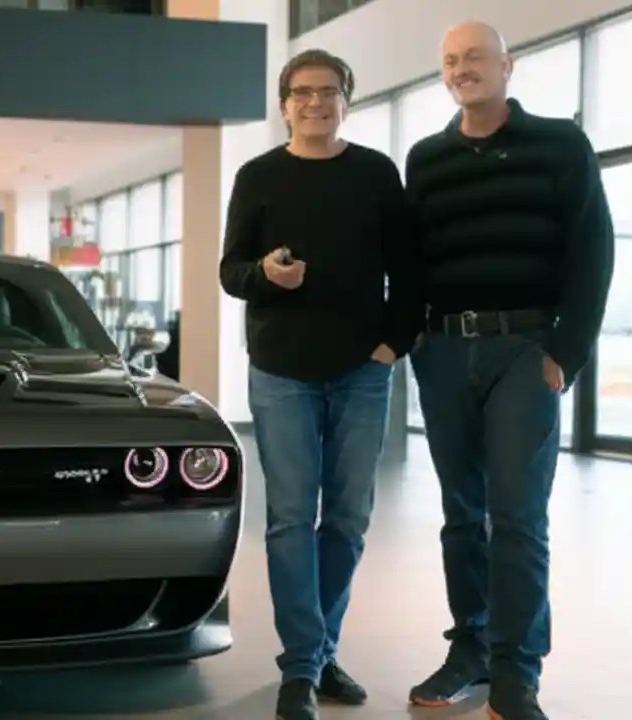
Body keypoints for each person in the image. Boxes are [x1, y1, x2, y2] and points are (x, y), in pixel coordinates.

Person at [402, 21, 614, 720]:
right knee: (462, 517)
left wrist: (567, 352)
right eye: (451, 60)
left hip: (526, 351)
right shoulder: (426, 158)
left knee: (517, 517)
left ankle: (516, 671)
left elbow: (592, 248)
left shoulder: (559, 144)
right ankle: (470, 650)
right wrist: (409, 338)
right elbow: (413, 260)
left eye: (475, 58)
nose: (463, 69)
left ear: (507, 65)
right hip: (443, 351)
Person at [218, 48, 420, 720]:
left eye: (328, 91)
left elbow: (409, 269)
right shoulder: (258, 175)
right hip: (281, 370)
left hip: (364, 368)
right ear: (284, 105)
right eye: (302, 92)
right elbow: (230, 270)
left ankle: (320, 650)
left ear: (345, 100)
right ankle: (304, 665)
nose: (315, 102)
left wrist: (395, 344)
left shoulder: (374, 173)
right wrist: (264, 277)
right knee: (288, 520)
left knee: (347, 521)